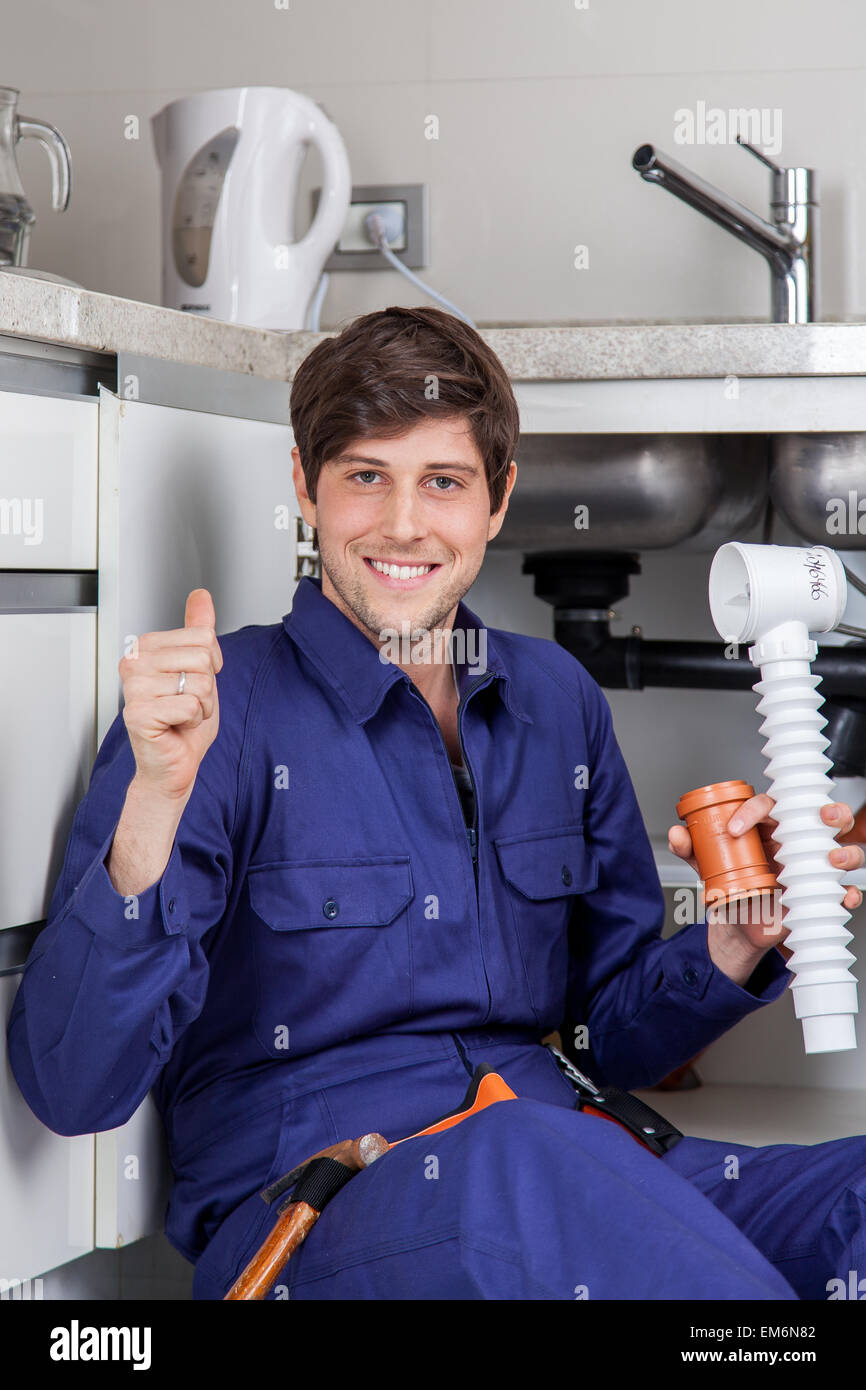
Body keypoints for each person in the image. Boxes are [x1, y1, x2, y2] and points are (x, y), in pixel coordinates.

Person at [8, 306, 866, 1301]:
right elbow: (74, 1085)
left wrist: (733, 940)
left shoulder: (555, 701)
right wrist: (153, 804)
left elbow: (610, 1042)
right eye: (365, 475)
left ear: (497, 499)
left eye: (444, 482)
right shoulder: (212, 715)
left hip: (589, 1167)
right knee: (523, 1161)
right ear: (305, 487)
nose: (403, 523)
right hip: (325, 1212)